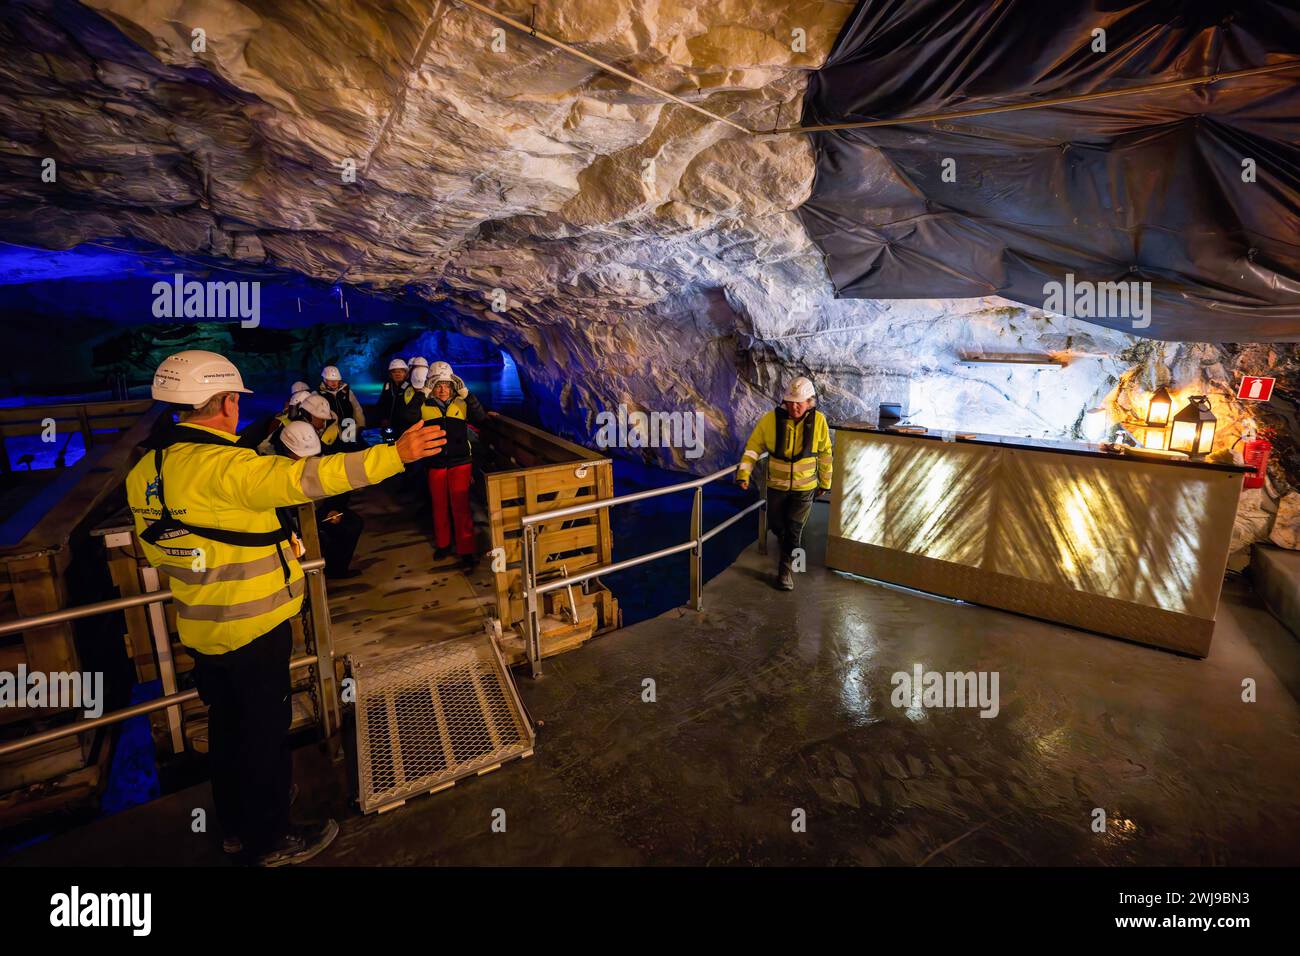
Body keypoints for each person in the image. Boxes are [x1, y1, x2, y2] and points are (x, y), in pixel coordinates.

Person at [126, 350, 446, 866]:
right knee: (263, 735)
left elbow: (160, 547)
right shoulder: (229, 467)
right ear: (228, 403)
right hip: (253, 624)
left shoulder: (146, 470)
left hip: (200, 622)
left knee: (227, 728)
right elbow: (310, 479)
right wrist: (396, 455)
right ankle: (269, 837)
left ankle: (235, 822)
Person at [735, 376, 833, 591]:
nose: (795, 406)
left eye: (800, 402)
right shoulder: (770, 420)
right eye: (791, 401)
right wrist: (744, 473)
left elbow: (825, 453)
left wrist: (825, 482)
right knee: (778, 525)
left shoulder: (819, 422)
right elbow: (753, 447)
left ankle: (785, 571)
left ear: (810, 402)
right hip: (776, 486)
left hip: (804, 488)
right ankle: (786, 544)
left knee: (794, 528)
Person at [420, 361, 490, 569]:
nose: (442, 390)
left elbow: (481, 419)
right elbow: (407, 418)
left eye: (447, 385)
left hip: (460, 462)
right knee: (439, 506)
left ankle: (466, 550)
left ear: (453, 386)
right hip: (436, 462)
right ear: (431, 385)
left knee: (461, 507)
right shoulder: (424, 405)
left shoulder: (462, 403)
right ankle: (443, 545)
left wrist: (468, 394)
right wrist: (421, 394)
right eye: (438, 385)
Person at [275, 420, 364, 580]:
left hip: (318, 510)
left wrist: (332, 508)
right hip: (292, 521)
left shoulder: (317, 455)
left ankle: (336, 569)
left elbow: (334, 482)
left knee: (352, 524)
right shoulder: (275, 468)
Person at [319, 365, 365, 449]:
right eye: (330, 380)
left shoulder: (346, 392)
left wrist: (361, 424)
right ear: (325, 380)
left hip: (348, 425)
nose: (334, 383)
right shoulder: (318, 394)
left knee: (350, 449)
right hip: (330, 429)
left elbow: (357, 408)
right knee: (334, 451)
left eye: (336, 380)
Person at [375, 358, 411, 438]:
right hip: (389, 423)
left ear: (405, 373)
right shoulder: (387, 386)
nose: (397, 374)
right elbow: (382, 403)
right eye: (394, 372)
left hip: (404, 425)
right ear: (390, 374)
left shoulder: (410, 387)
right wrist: (383, 418)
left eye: (400, 371)